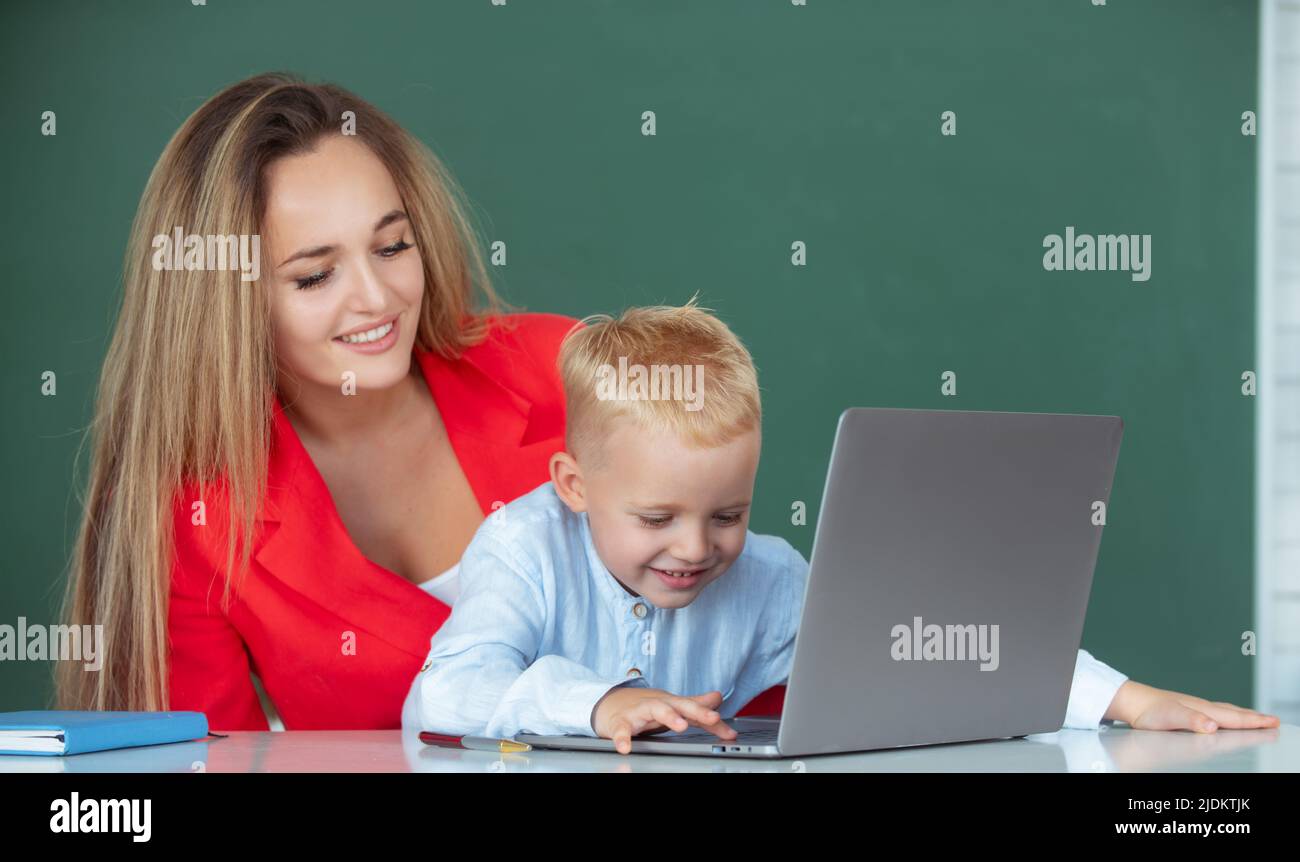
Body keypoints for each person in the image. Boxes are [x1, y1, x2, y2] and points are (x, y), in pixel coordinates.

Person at [406, 300, 1280, 754]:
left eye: (728, 515)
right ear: (573, 485)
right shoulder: (522, 549)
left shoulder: (768, 576)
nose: (694, 548)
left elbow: (925, 643)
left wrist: (1126, 701)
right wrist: (599, 702)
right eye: (656, 517)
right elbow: (440, 698)